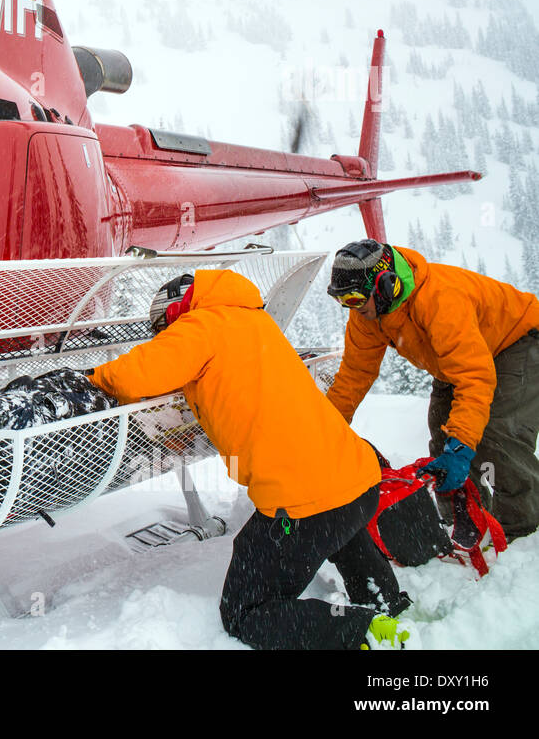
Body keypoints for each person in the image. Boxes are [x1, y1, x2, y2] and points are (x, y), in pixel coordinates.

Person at [86, 269, 411, 650]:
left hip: (303, 503)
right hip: (357, 480)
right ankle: (388, 605)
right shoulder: (254, 320)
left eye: (164, 327)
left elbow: (135, 375)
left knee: (245, 610)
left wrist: (90, 378)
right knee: (342, 533)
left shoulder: (202, 325)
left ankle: (362, 633)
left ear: (176, 312)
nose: (164, 335)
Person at [325, 239, 539, 540]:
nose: (353, 308)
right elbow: (354, 375)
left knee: (496, 434)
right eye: (343, 301)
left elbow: (474, 377)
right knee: (442, 434)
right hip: (455, 360)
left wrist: (462, 446)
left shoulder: (440, 299)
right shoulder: (368, 314)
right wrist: (325, 429)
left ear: (387, 285)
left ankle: (522, 529)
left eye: (356, 298)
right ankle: (461, 521)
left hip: (516, 342)